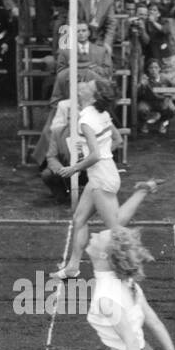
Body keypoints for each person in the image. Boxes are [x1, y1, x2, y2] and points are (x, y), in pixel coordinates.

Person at [48, 81, 125, 280]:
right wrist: (98, 160)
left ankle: (128, 273)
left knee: (115, 231)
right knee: (79, 219)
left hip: (102, 178)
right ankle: (73, 267)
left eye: (86, 85)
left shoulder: (86, 119)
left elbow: (96, 155)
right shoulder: (103, 114)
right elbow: (117, 141)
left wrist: (74, 168)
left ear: (91, 95)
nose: (81, 85)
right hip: (103, 175)